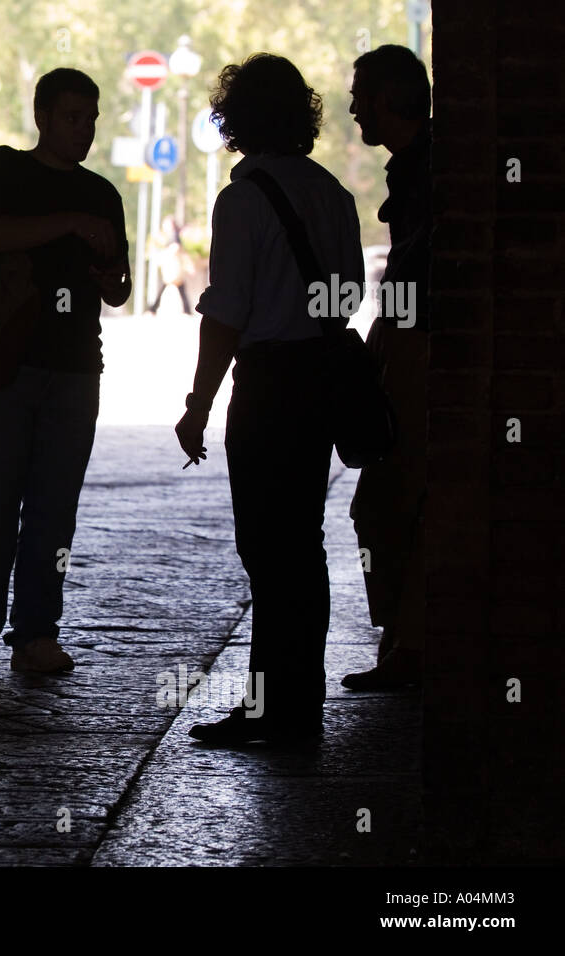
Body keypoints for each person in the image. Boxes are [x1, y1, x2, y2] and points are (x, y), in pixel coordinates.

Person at [175, 54, 364, 745]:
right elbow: (349, 296)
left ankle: (270, 707)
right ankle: (296, 704)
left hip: (268, 387)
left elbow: (227, 311)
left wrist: (198, 403)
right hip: (319, 381)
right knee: (302, 547)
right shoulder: (335, 195)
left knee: (265, 549)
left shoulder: (242, 198)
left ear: (236, 118)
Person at [0, 68, 129, 676]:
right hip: (7, 361)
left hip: (77, 364)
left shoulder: (105, 193)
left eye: (92, 118)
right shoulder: (6, 170)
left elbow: (120, 288)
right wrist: (71, 224)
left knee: (55, 506)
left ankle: (35, 632)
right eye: (73, 117)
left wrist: (110, 279)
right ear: (42, 117)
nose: (84, 129)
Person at [342, 45, 432, 690]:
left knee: (393, 499)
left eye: (361, 95)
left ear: (388, 98)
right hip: (405, 339)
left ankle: (408, 646)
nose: (352, 107)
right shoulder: (419, 166)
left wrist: (392, 334)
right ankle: (403, 640)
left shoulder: (426, 170)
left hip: (416, 347)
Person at [146, 216, 194, 315]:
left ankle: (153, 309)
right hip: (173, 266)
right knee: (178, 288)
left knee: (170, 286)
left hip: (173, 267)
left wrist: (164, 254)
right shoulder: (172, 235)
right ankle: (187, 310)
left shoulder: (174, 235)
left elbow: (176, 248)